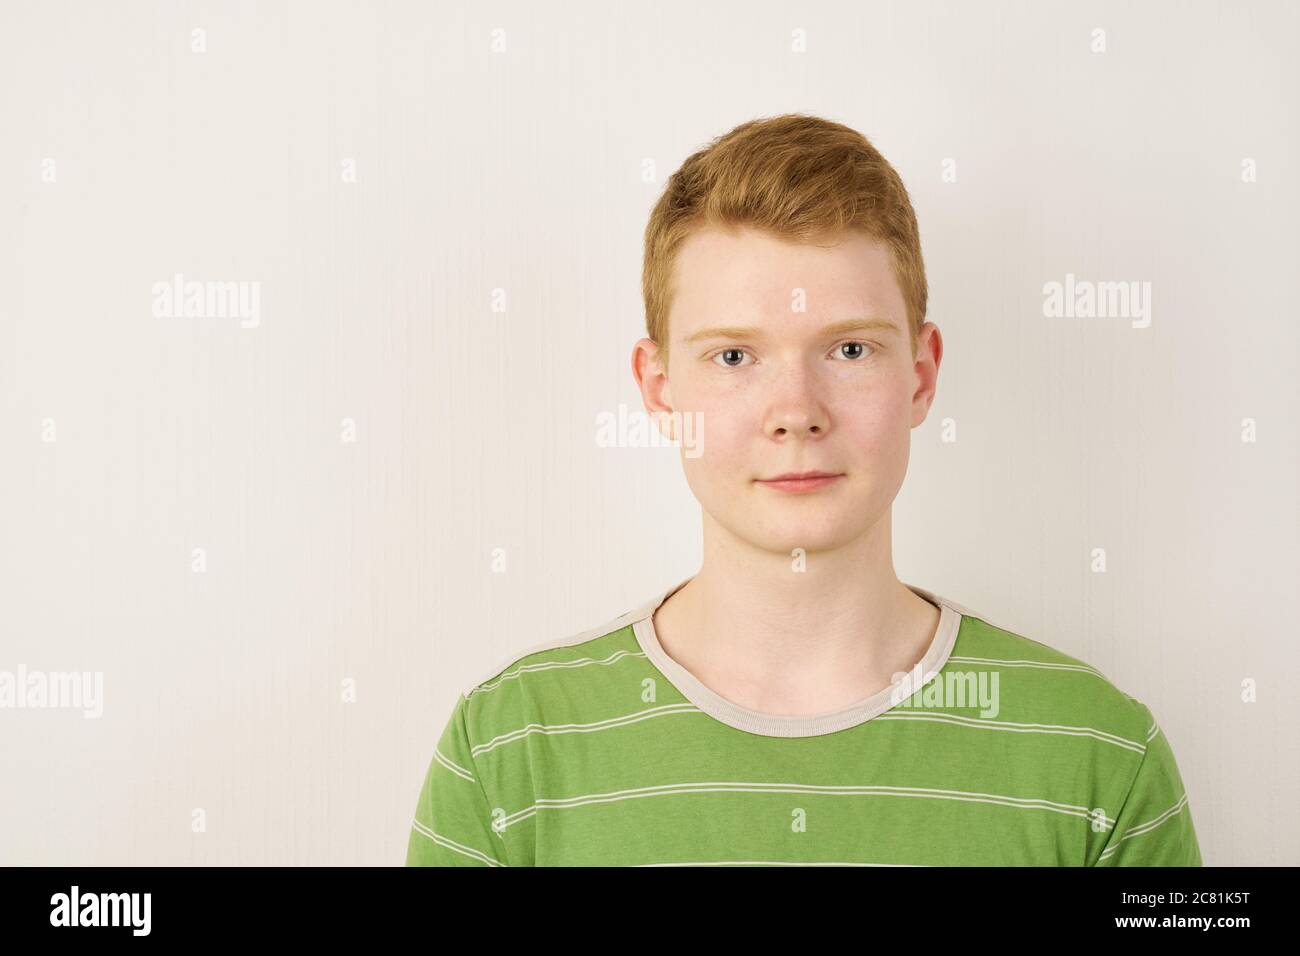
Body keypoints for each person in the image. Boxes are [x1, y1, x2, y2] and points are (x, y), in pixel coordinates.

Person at [406, 113, 1202, 866]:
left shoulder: (1101, 758)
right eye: (733, 358)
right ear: (658, 388)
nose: (796, 413)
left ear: (921, 376)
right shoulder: (508, 753)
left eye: (850, 349)